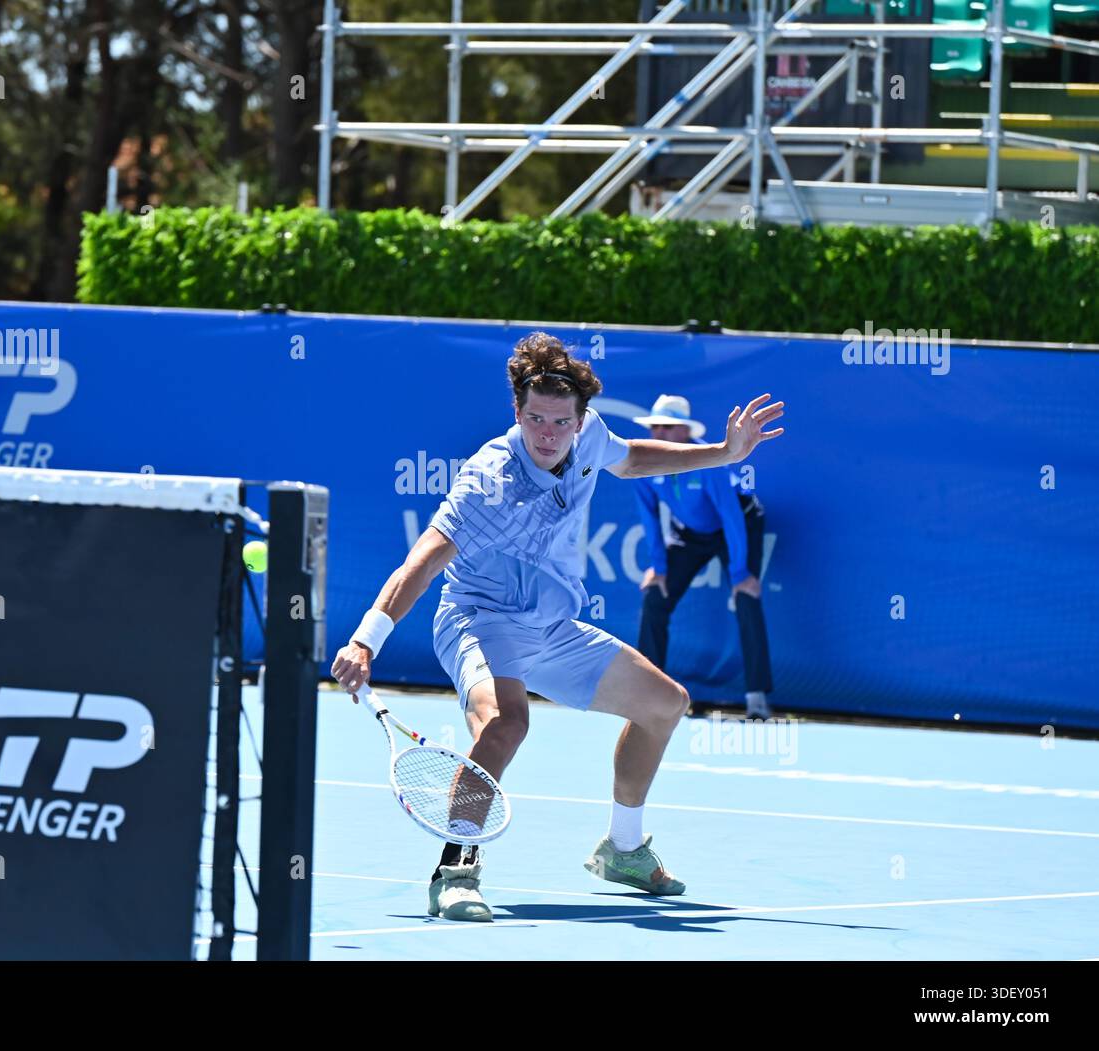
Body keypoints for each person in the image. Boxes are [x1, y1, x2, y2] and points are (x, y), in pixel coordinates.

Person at [331, 332, 784, 922]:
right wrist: (367, 638)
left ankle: (624, 849)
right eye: (535, 419)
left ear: (580, 420)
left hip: (551, 626)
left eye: (560, 421)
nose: (548, 434)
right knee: (505, 724)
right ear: (517, 413)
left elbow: (632, 460)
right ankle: (454, 872)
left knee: (664, 704)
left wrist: (723, 453)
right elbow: (423, 559)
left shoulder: (590, 435)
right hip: (480, 619)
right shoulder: (487, 480)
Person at [632, 395, 775, 720]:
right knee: (656, 593)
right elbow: (650, 517)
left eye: (668, 428)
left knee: (746, 597)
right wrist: (659, 566)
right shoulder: (645, 465)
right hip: (691, 533)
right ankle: (644, 696)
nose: (660, 434)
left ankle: (757, 698)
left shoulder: (711, 461)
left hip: (738, 523)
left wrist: (741, 573)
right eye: (656, 428)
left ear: (685, 431)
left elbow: (731, 516)